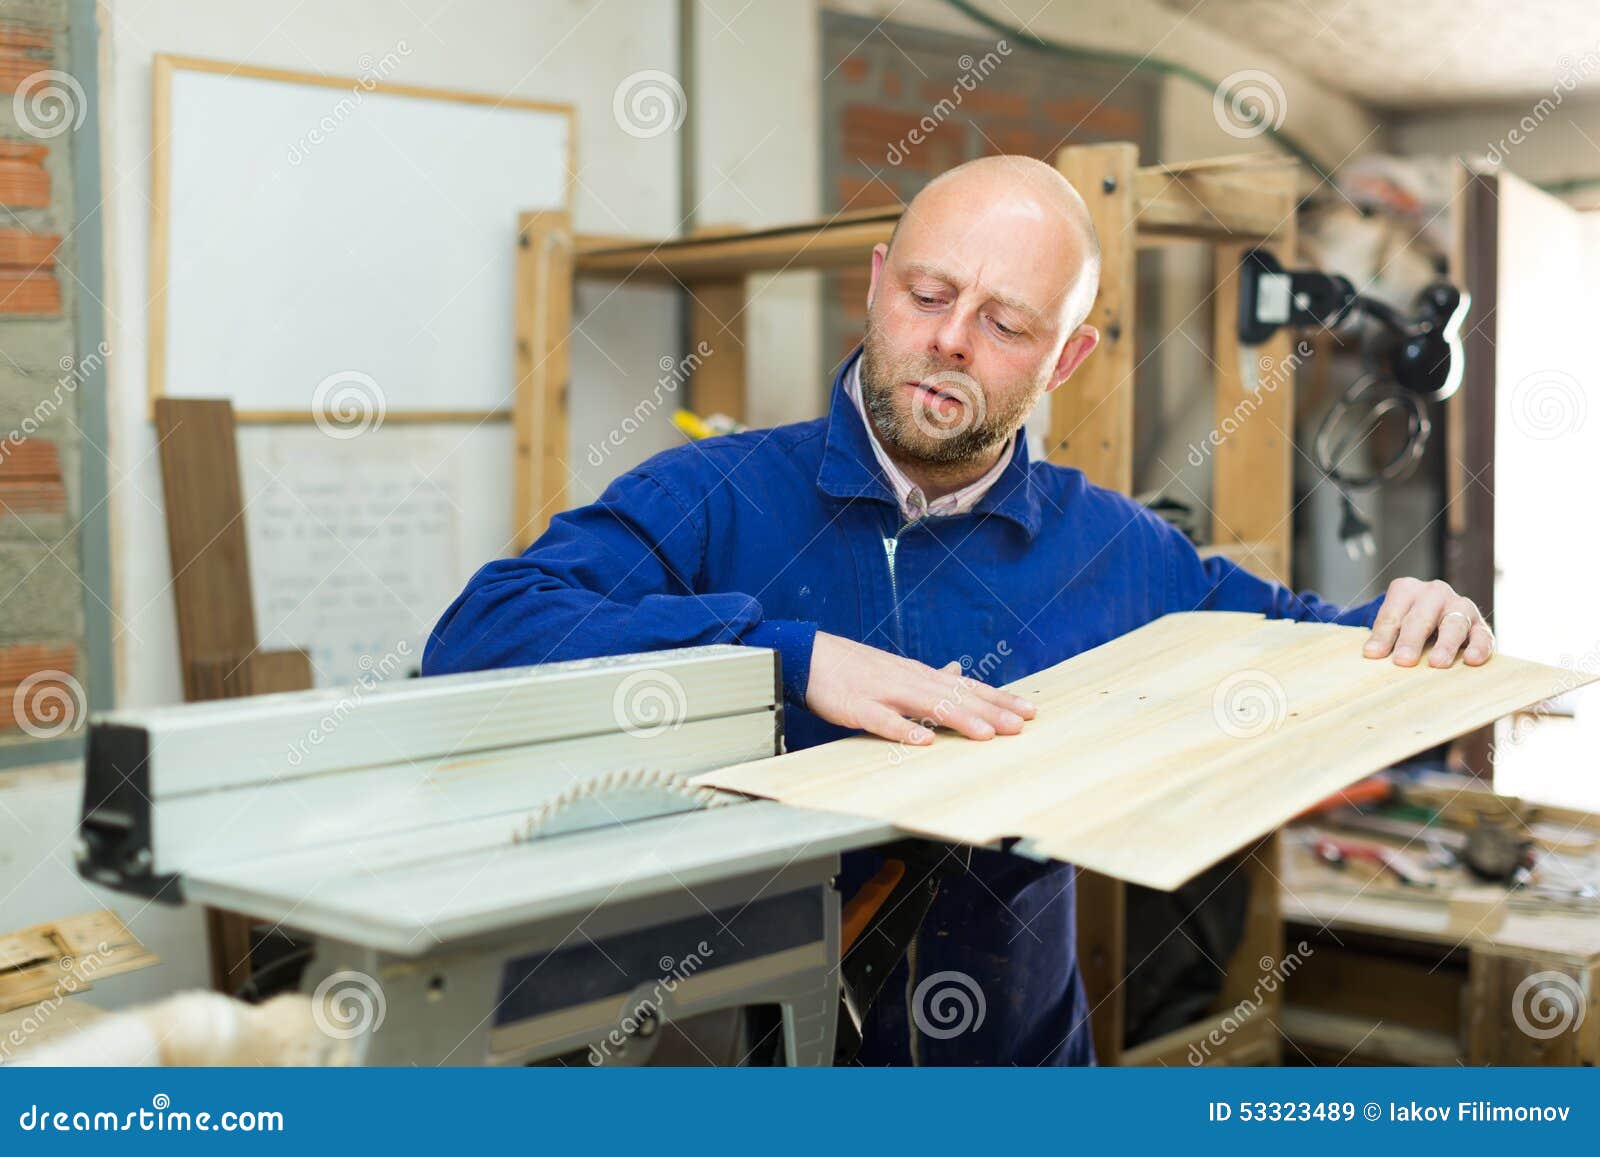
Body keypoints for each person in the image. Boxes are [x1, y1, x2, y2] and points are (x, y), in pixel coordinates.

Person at [423, 155, 1494, 1065]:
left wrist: (1416, 623)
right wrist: (784, 656)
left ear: (1066, 358)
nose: (949, 341)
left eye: (1005, 323)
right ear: (877, 282)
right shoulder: (712, 495)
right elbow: (479, 637)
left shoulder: (1116, 551)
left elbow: (1310, 650)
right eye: (927, 297)